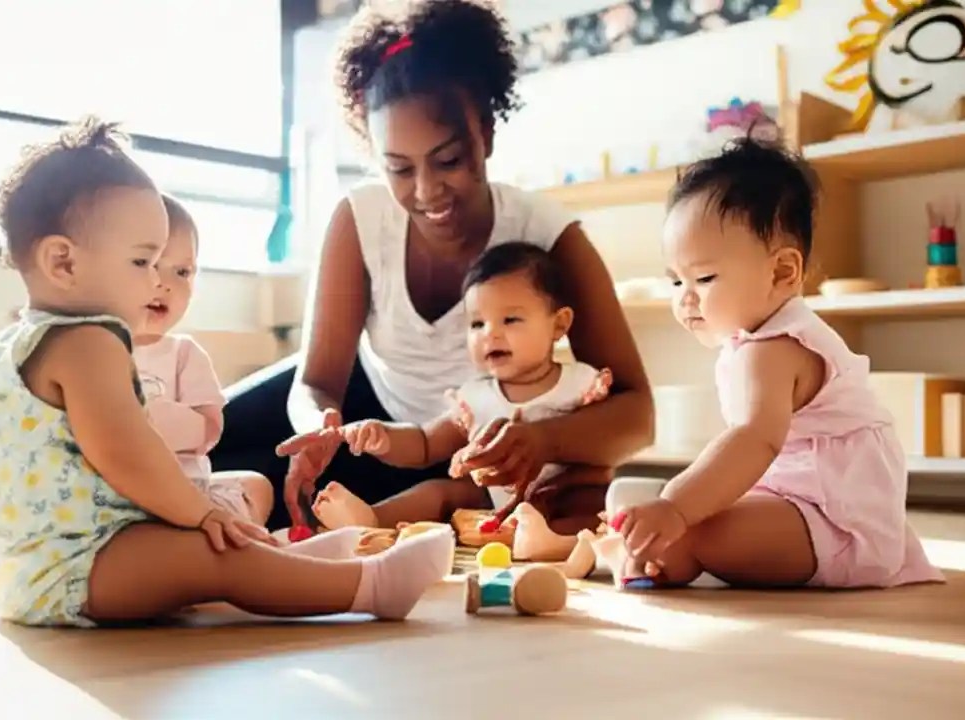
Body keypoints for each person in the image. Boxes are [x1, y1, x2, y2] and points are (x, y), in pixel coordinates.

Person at [0, 117, 455, 628]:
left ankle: (303, 562)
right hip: (78, 565)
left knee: (217, 540)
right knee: (217, 553)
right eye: (142, 262)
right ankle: (368, 587)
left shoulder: (22, 342)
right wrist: (201, 513)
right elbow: (128, 455)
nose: (157, 280)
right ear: (63, 263)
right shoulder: (89, 343)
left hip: (44, 563)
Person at [210, 0, 654, 534]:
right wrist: (319, 427)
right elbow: (316, 383)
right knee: (199, 441)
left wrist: (543, 439)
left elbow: (638, 416)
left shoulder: (547, 235)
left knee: (282, 507)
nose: (425, 192)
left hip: (465, 451)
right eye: (398, 168)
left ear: (485, 135)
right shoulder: (361, 218)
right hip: (368, 415)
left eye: (447, 161)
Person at [604, 136, 945, 590]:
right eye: (675, 280)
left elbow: (754, 441)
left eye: (704, 278)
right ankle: (646, 550)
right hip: (799, 502)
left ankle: (656, 551)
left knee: (693, 525)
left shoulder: (776, 347)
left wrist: (677, 506)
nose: (685, 298)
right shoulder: (755, 340)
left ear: (782, 273)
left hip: (836, 526)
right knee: (640, 502)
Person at [310, 241, 613, 531]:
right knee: (441, 493)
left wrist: (572, 480)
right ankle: (370, 519)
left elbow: (603, 451)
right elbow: (426, 443)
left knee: (594, 499)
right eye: (477, 324)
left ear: (559, 325)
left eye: (510, 319)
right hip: (495, 506)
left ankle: (552, 540)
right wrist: (383, 436)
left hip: (560, 498)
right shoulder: (475, 398)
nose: (490, 335)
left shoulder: (581, 384)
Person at [133, 194, 274, 526]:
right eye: (150, 265)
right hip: (115, 494)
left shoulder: (184, 353)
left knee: (256, 487)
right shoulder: (91, 349)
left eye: (182, 271)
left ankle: (210, 543)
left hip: (187, 494)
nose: (166, 284)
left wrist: (165, 421)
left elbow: (211, 427)